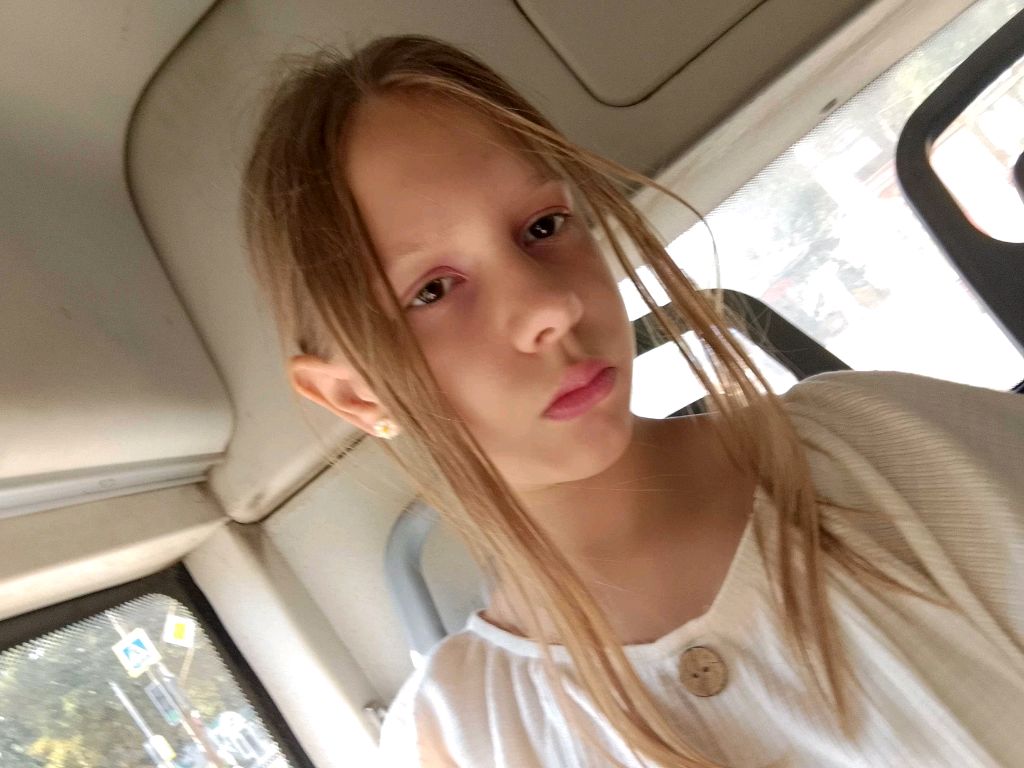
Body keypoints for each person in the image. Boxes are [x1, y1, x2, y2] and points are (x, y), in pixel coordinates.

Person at [241, 35, 1024, 768]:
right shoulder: (450, 741)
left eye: (544, 225)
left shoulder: (895, 447)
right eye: (433, 291)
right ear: (354, 395)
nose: (550, 307)